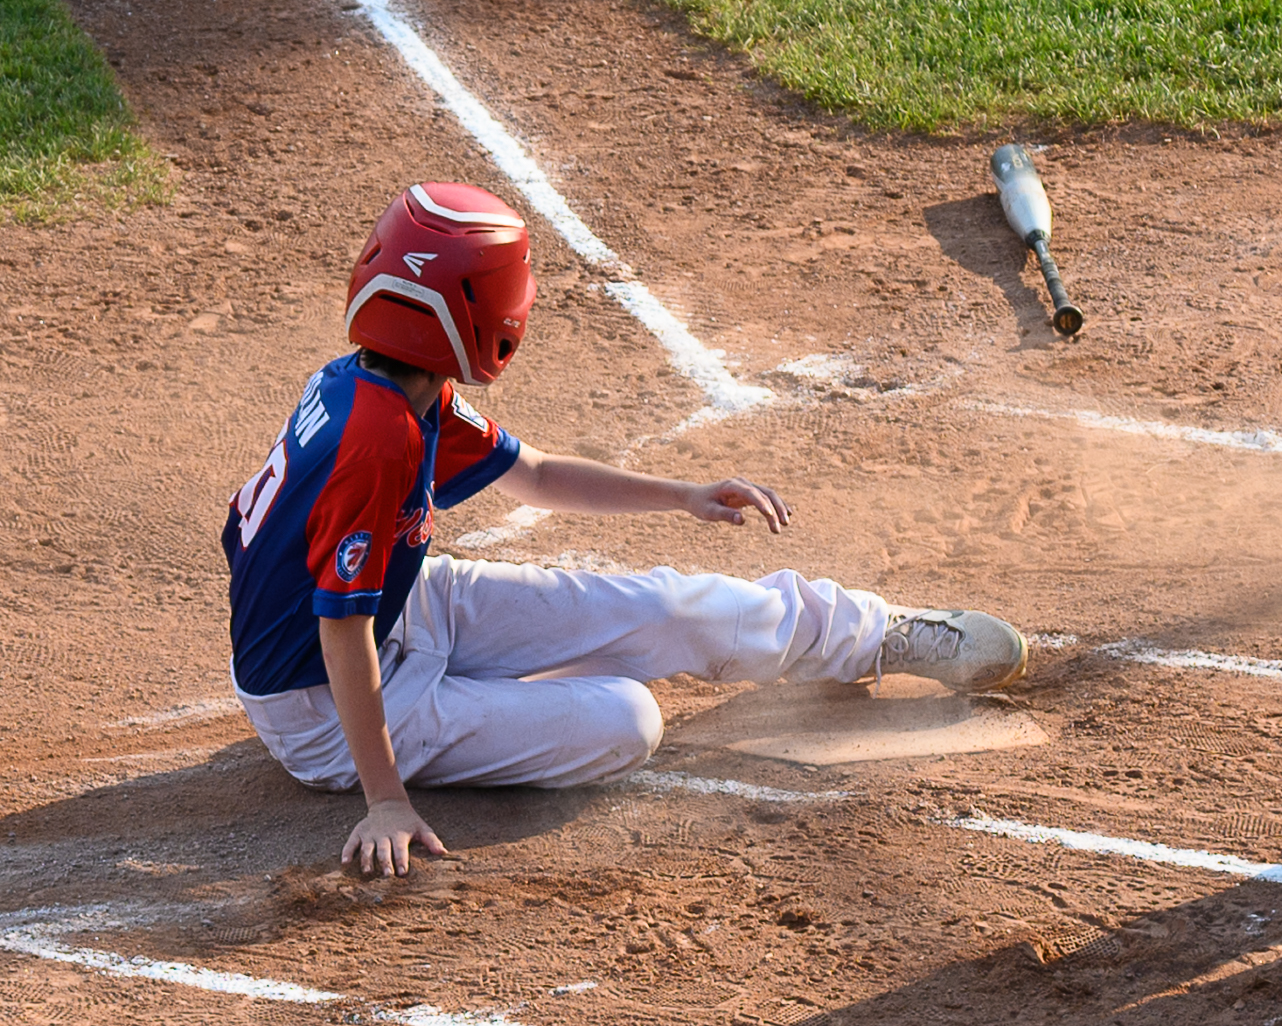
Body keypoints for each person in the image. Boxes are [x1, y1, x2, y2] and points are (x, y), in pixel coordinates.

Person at [223, 182, 1028, 878]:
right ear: (466, 309)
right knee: (627, 721)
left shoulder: (387, 384)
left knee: (667, 609)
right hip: (319, 703)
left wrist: (683, 496)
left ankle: (875, 637)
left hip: (408, 605)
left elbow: (533, 474)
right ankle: (466, 713)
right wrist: (387, 801)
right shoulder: (376, 436)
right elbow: (341, 631)